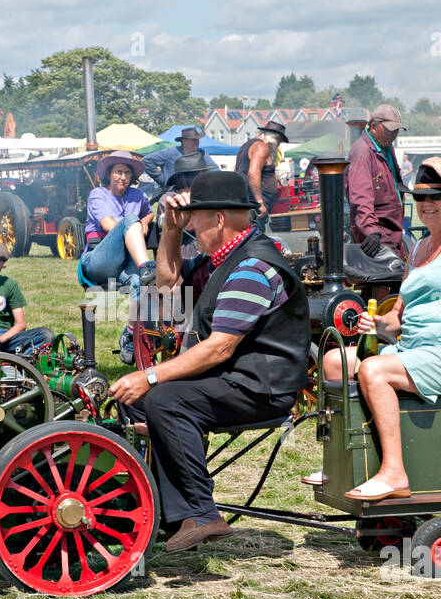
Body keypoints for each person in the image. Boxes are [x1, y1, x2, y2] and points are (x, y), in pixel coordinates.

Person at [109, 171, 308, 551]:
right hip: (236, 377)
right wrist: (170, 228)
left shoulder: (251, 267)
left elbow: (220, 348)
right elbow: (167, 285)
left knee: (166, 399)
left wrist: (149, 376)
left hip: (262, 386)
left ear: (218, 220)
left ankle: (202, 514)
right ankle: (168, 511)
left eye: (196, 217)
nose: (191, 225)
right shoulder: (222, 259)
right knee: (135, 403)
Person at [305, 157, 441, 500]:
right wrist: (376, 323)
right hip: (418, 350)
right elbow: (398, 317)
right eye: (419, 197)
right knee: (334, 361)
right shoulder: (418, 248)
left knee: (375, 370)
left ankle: (394, 472)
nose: (425, 204)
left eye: (435, 196)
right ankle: (343, 461)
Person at [78, 151, 155, 363]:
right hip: (97, 261)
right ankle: (146, 265)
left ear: (132, 177)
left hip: (123, 263)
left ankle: (129, 334)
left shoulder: (137, 196)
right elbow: (108, 225)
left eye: (127, 173)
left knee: (142, 283)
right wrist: (134, 223)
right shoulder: (98, 194)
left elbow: (149, 211)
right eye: (118, 172)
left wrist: (146, 221)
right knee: (130, 219)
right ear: (110, 174)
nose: (122, 177)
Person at [346, 103, 408, 259]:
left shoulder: (387, 147)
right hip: (377, 237)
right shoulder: (361, 152)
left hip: (392, 233)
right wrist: (371, 231)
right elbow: (361, 197)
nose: (394, 134)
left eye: (396, 130)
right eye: (389, 130)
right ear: (373, 127)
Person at [233, 119, 288, 231]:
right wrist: (260, 203)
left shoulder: (246, 146)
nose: (278, 145)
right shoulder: (261, 147)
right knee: (255, 238)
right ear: (274, 137)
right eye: (278, 141)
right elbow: (253, 174)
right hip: (254, 207)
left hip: (245, 204)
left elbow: (238, 171)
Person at [143, 127, 216, 189]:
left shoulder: (203, 153)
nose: (196, 142)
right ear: (184, 141)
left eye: (197, 140)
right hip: (173, 191)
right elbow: (147, 161)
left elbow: (214, 169)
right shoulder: (170, 152)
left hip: (196, 190)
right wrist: (162, 181)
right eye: (193, 140)